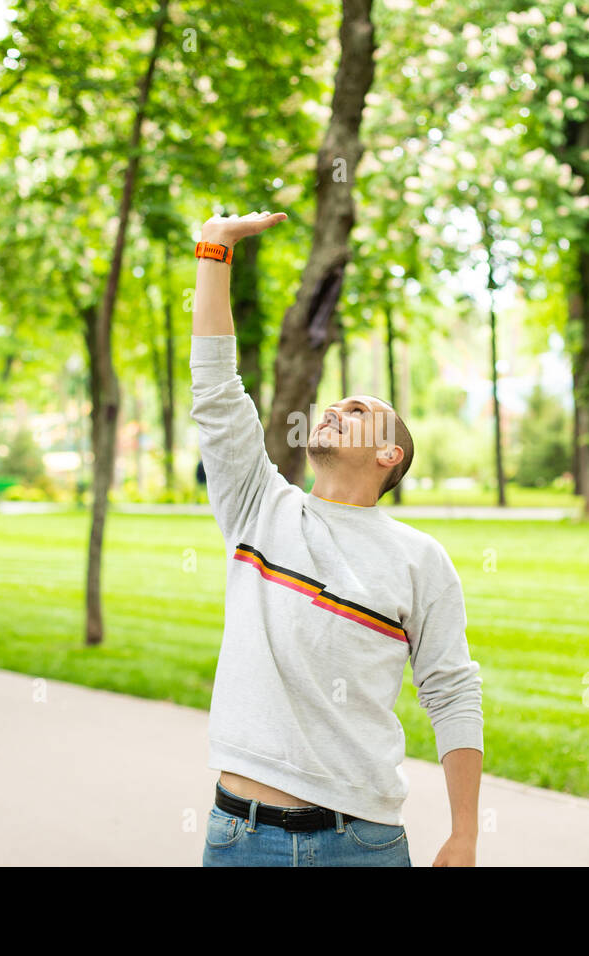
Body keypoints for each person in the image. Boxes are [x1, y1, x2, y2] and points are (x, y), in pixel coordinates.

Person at [190, 210, 484, 867]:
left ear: (390, 457)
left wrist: (465, 833)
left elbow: (452, 691)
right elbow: (215, 390)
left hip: (365, 842)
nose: (334, 408)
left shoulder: (420, 559)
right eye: (334, 404)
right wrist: (214, 250)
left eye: (358, 411)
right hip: (243, 839)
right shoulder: (257, 507)